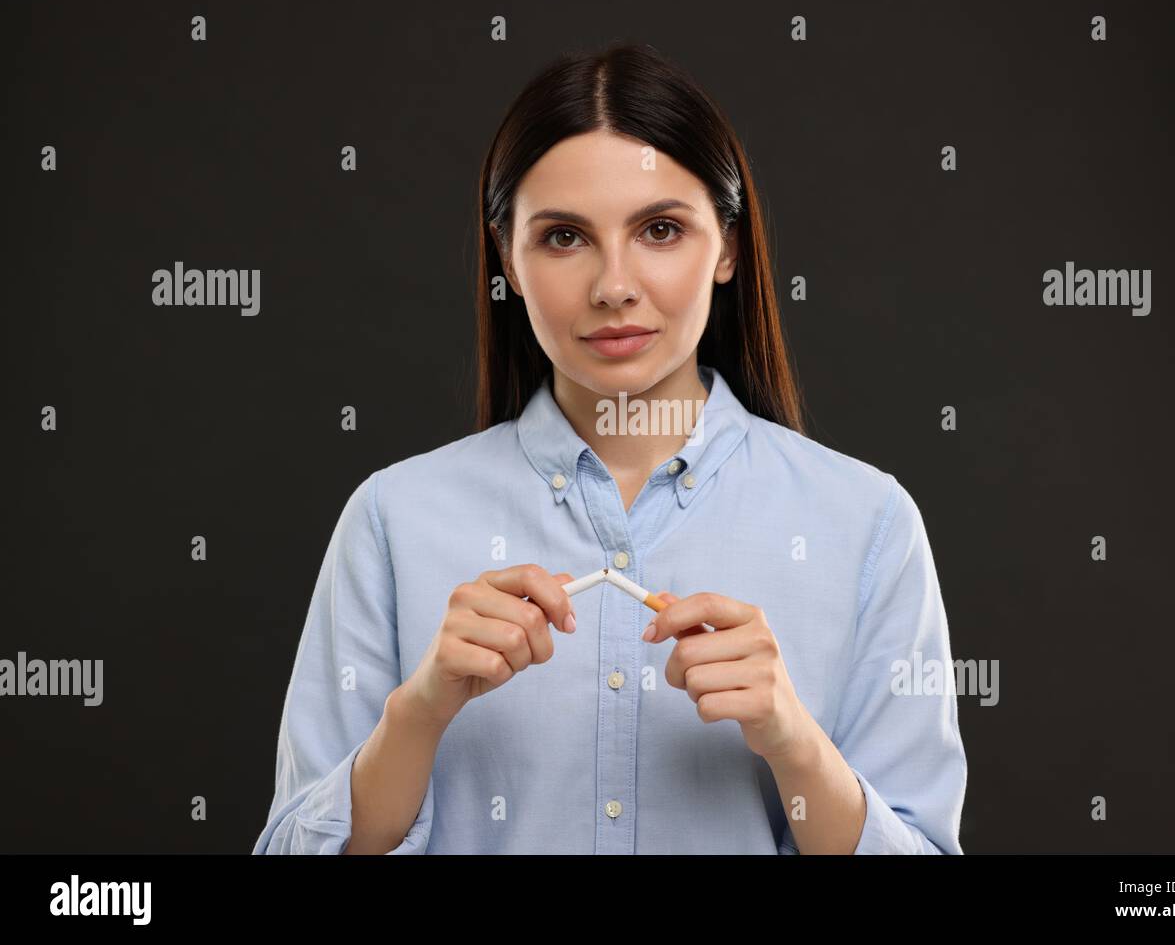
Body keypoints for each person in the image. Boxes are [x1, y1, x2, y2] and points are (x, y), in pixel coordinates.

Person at [252, 42, 966, 855]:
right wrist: (418, 712)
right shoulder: (392, 520)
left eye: (660, 229)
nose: (613, 285)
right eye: (564, 237)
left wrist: (793, 742)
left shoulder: (867, 525)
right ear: (507, 260)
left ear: (727, 247)